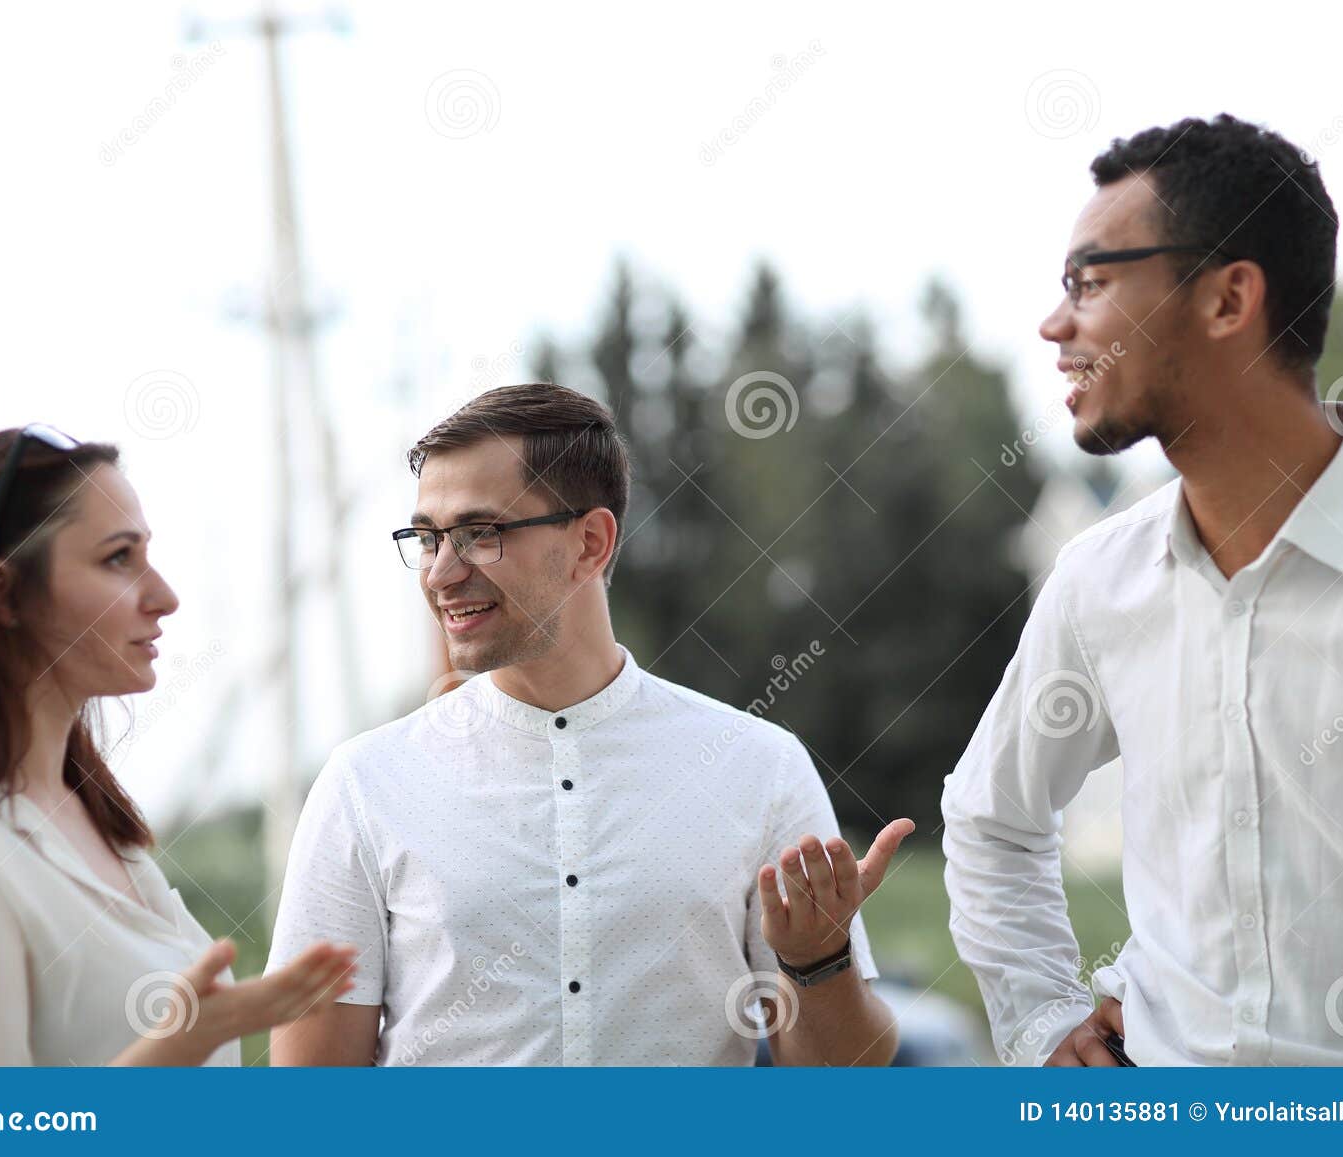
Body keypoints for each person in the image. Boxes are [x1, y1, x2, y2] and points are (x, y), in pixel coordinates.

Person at [943, 114, 1343, 1065]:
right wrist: (1042, 1024)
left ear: (1229, 297)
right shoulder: (1098, 580)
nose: (1054, 323)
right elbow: (991, 819)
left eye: (1092, 282)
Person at [267, 383, 913, 1065]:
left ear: (591, 542)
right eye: (426, 538)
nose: (441, 573)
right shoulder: (364, 784)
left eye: (478, 534)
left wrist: (820, 960)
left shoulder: (761, 769)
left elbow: (841, 1079)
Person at [0, 425, 357, 1065]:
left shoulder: (98, 828)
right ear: (2, 594)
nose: (164, 597)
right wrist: (177, 1048)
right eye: (117, 558)